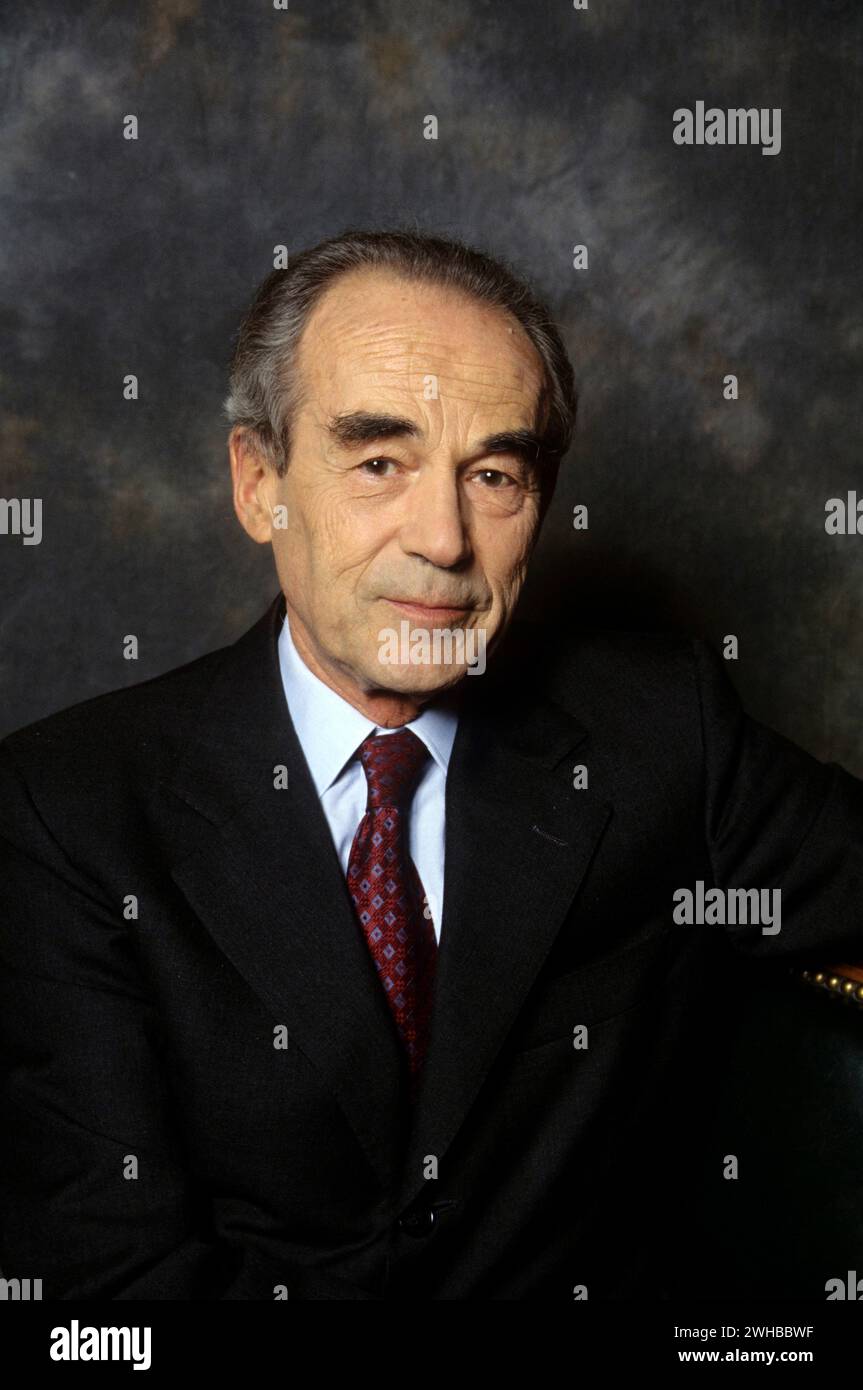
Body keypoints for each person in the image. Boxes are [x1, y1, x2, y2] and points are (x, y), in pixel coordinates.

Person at [1, 228, 861, 1300]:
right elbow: (110, 1287)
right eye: (378, 462)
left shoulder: (656, 735)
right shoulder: (67, 809)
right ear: (258, 481)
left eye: (492, 473)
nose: (444, 538)